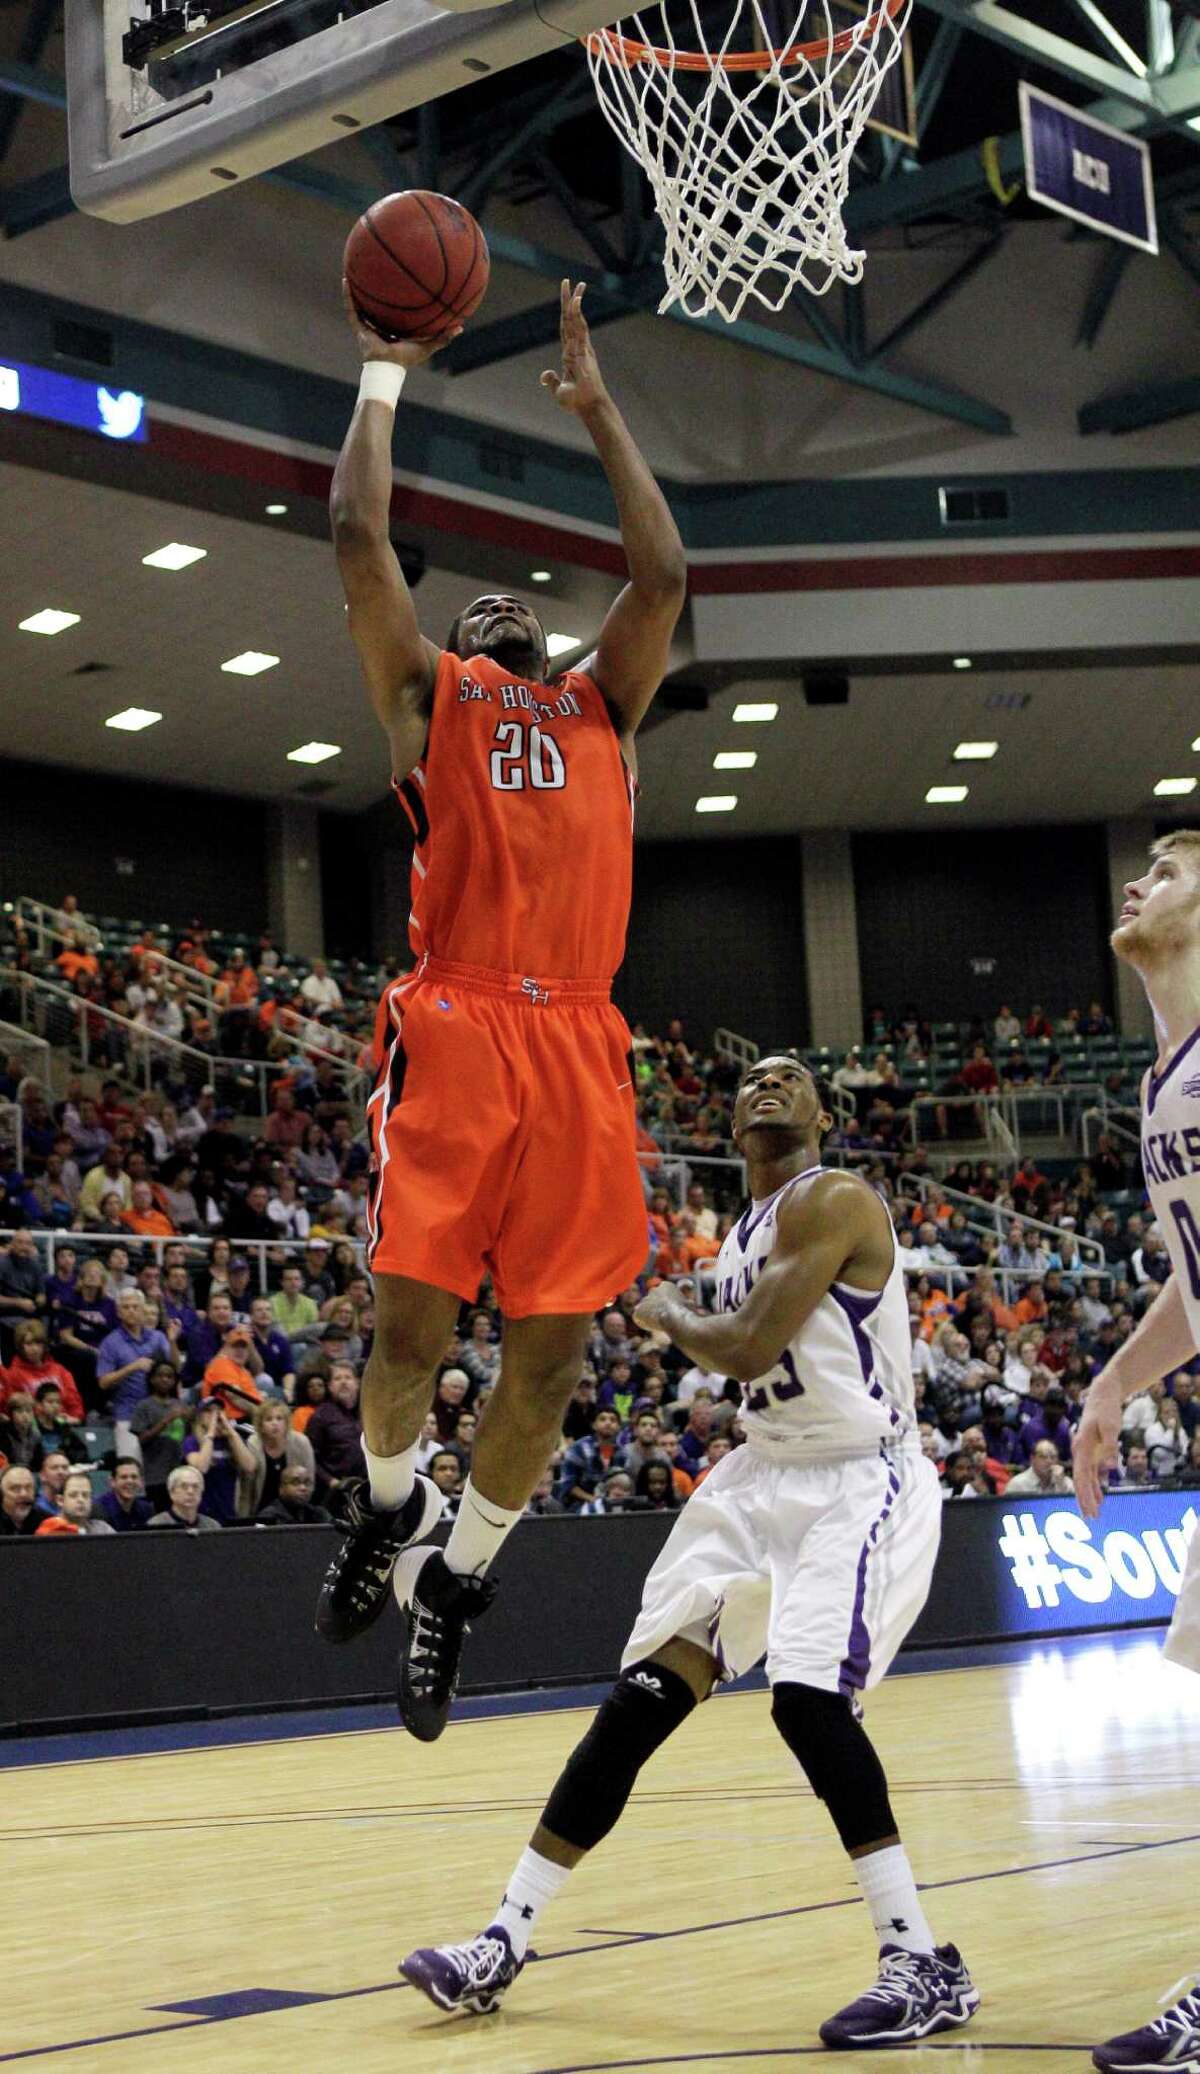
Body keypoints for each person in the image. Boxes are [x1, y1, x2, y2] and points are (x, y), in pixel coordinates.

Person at [401, 1057, 976, 2042]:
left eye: (789, 1077)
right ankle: (503, 1936)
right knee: (639, 1702)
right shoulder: (742, 1233)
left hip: (857, 1479)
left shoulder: (834, 1197)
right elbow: (748, 1342)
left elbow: (748, 1347)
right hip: (760, 1477)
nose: (766, 1085)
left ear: (823, 1117)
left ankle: (922, 1959)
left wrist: (666, 1312)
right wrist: (687, 1307)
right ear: (731, 1120)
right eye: (752, 1078)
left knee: (805, 1700)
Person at [319, 270, 685, 1743]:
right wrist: (384, 372)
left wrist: (599, 412)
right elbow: (356, 536)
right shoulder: (433, 702)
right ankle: (388, 1510)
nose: (497, 607)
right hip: (463, 1019)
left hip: (581, 1035)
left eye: (518, 603)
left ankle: (456, 1589)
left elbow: (661, 579)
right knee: (410, 1336)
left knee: (553, 1361)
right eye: (475, 604)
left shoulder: (605, 706)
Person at [1074, 829, 1200, 2071]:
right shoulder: (1166, 1082)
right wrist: (1111, 1383)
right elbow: (1190, 1287)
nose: (1137, 882)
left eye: (1166, 868)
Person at [35, 1467, 116, 1537]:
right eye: (73, 1495)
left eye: (85, 1495)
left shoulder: (103, 1530)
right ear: (60, 1501)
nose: (81, 1500)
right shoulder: (49, 1531)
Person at [149, 1462, 221, 1531]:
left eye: (195, 1486)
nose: (190, 1491)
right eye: (184, 1486)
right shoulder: (156, 1525)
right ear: (171, 1493)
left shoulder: (212, 1526)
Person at [257, 1461, 331, 1525]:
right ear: (281, 1488)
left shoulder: (318, 1514)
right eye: (295, 1482)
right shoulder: (268, 1516)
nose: (303, 1488)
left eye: (307, 1483)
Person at [94, 1457, 154, 1533]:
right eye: (124, 1477)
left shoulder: (146, 1509)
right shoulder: (98, 1510)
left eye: (134, 1477)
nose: (130, 1481)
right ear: (112, 1482)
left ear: (141, 1482)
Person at [0, 1462, 49, 1536]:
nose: (24, 1494)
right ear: (1, 1493)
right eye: (15, 1488)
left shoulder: (46, 1522)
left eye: (28, 1487)